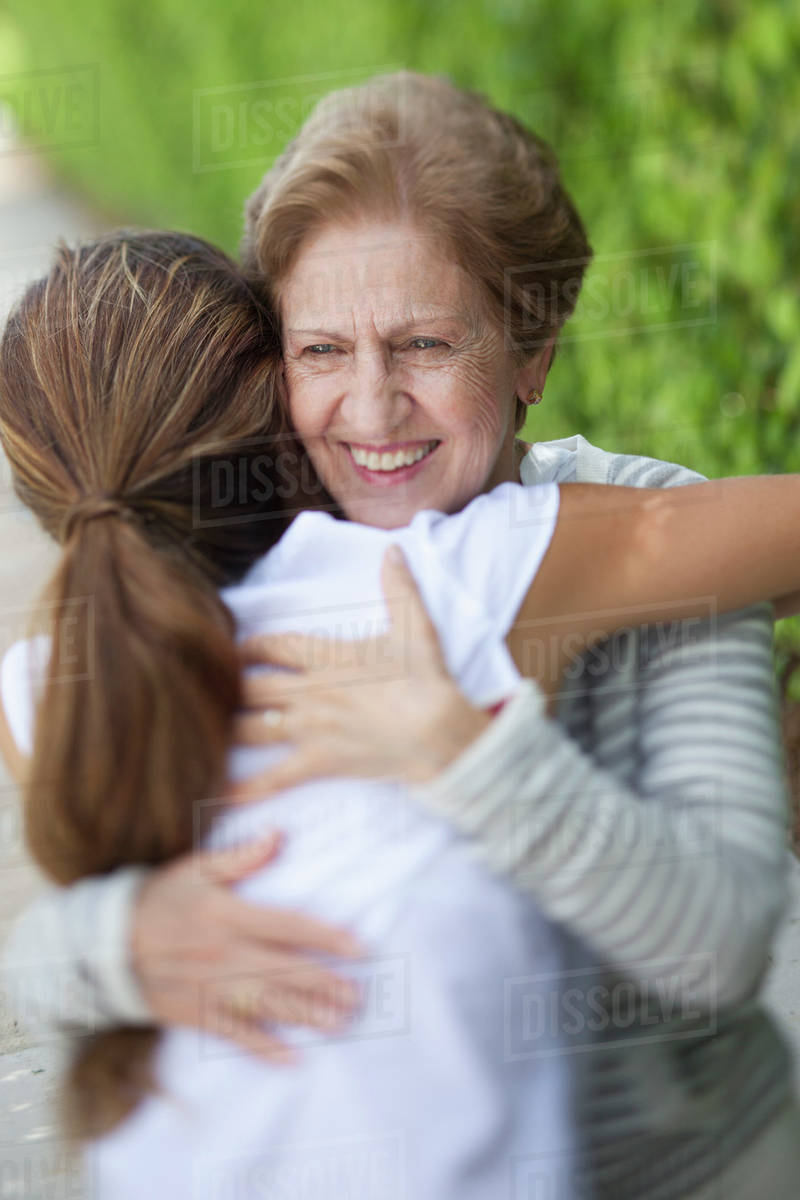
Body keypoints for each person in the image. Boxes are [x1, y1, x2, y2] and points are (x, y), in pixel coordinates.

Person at [3, 72, 798, 1199]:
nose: (370, 413)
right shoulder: (232, 561)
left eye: (423, 344)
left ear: (531, 353)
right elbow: (48, 963)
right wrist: (123, 939)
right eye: (321, 352)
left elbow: (716, 952)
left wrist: (466, 758)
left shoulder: (659, 537)